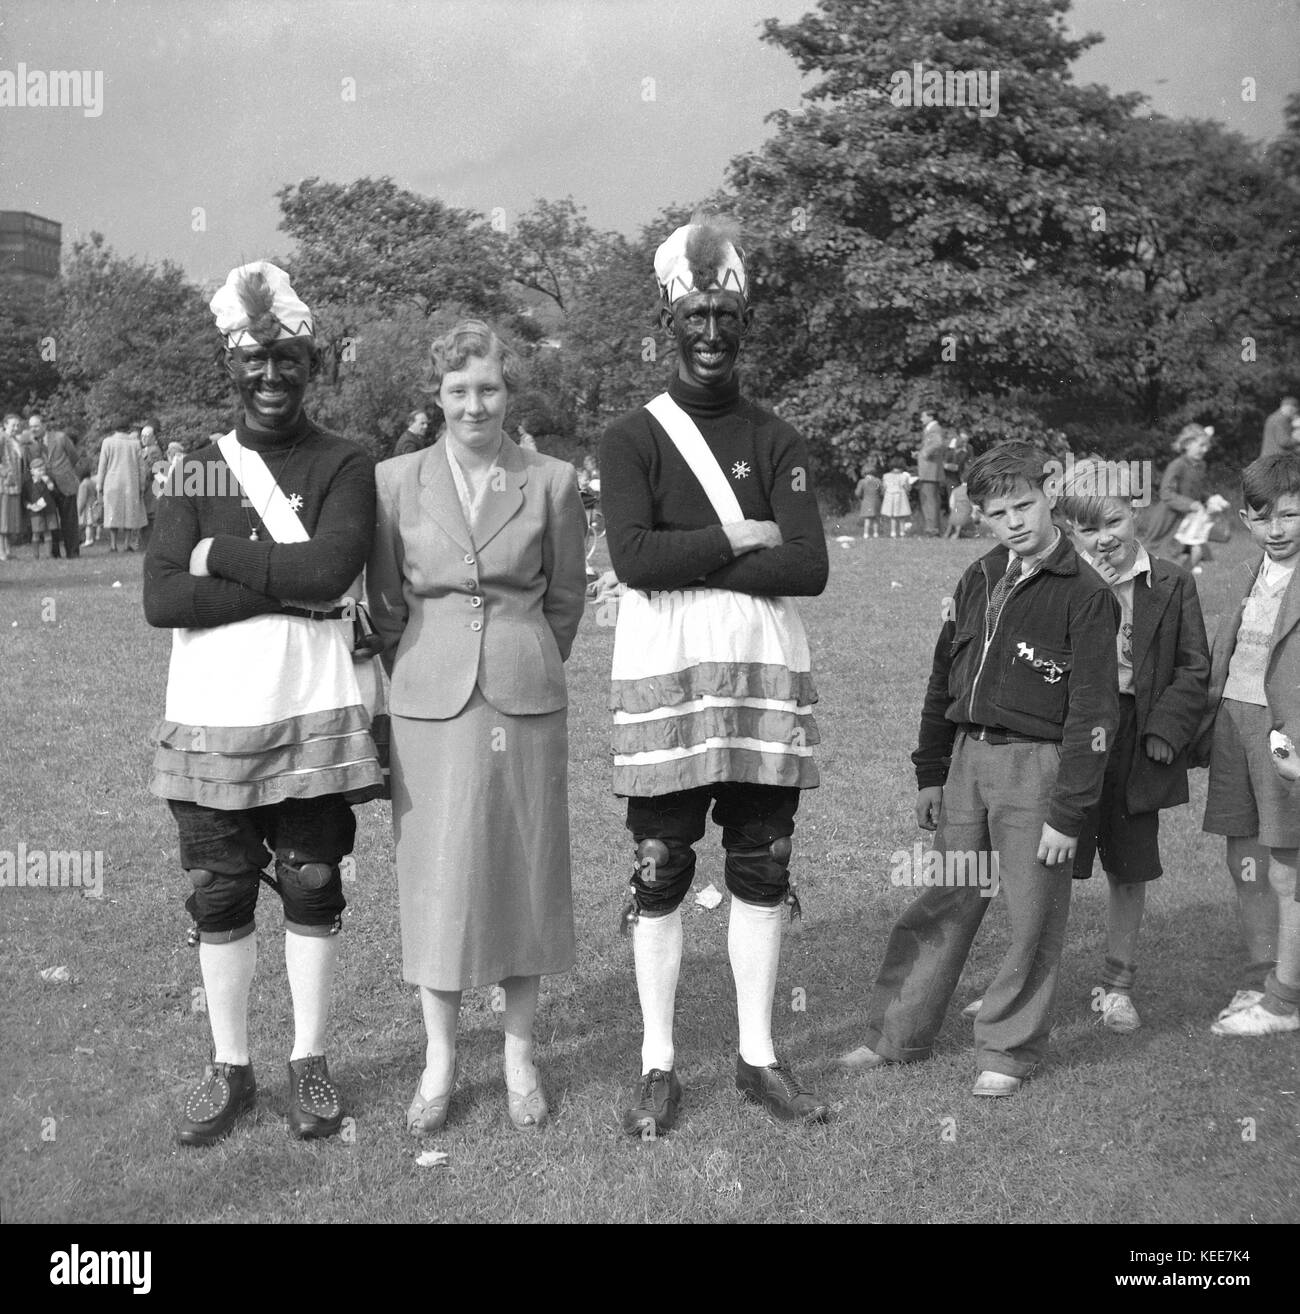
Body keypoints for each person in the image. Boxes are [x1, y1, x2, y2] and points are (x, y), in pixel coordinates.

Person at [143, 260, 383, 1146]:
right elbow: (162, 599)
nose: (271, 377)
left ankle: (310, 1061)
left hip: (310, 713)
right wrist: (290, 589)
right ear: (232, 367)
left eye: (287, 360)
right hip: (211, 716)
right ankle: (229, 1066)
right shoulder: (199, 470)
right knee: (218, 891)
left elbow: (332, 572)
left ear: (308, 364)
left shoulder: (343, 460)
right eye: (255, 362)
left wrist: (221, 561)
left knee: (314, 885)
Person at [600, 215, 830, 1134]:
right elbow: (634, 558)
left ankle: (757, 1056)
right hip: (665, 671)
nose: (709, 334)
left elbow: (808, 566)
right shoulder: (632, 438)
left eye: (725, 318)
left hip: (765, 672)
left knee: (762, 861)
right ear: (669, 322)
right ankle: (657, 1062)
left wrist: (683, 551)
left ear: (743, 323)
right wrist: (740, 535)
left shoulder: (777, 438)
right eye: (694, 317)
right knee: (660, 865)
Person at [838, 442, 1119, 1096]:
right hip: (967, 762)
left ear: (1050, 494)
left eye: (1025, 504)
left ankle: (1008, 1049)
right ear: (981, 517)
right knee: (948, 896)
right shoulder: (978, 577)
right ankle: (897, 1035)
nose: (1015, 521)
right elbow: (944, 677)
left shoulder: (1086, 593)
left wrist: (1068, 810)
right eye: (998, 513)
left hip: (1039, 770)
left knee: (1032, 915)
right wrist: (930, 770)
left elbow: (1097, 712)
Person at [367, 321, 586, 1133]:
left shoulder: (554, 481)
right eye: (458, 391)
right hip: (429, 702)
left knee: (524, 868)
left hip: (525, 697)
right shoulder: (392, 481)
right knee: (439, 877)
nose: (474, 404)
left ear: (508, 392)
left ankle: (519, 1055)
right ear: (438, 396)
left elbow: (566, 598)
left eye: (488, 388)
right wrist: (423, 665)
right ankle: (439, 1061)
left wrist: (525, 655)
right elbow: (385, 601)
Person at [1044, 463, 1209, 1031]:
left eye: (1114, 520)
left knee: (1129, 866)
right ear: (1068, 530)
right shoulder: (1056, 582)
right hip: (1071, 736)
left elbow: (1194, 667)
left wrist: (1166, 727)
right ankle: (1026, 982)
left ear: (1134, 510)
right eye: (1088, 530)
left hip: (1138, 739)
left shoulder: (1172, 582)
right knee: (1052, 858)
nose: (1104, 537)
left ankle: (1117, 986)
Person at [1194, 452, 1300, 1037]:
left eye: (1291, 515)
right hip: (1236, 723)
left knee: (1289, 866)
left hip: (1286, 732)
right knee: (1245, 856)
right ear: (1245, 519)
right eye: (1265, 519)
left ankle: (1287, 1000)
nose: (1278, 530)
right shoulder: (1245, 575)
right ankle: (1265, 976)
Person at [1140, 424, 1211, 562]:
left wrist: (1210, 499)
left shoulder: (1201, 465)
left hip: (1187, 517)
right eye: (1201, 445)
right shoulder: (1177, 465)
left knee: (1181, 553)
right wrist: (1190, 504)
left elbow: (1196, 491)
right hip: (1168, 516)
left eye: (1207, 446)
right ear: (1187, 444)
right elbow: (1166, 493)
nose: (1205, 449)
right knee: (1151, 549)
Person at [96, 421, 148, 552]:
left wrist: (99, 485)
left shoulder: (107, 442)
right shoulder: (135, 444)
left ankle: (113, 545)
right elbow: (142, 467)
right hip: (131, 482)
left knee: (112, 513)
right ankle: (126, 544)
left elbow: (102, 465)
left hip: (112, 482)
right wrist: (142, 485)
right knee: (130, 512)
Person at [42, 425, 84, 559]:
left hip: (65, 482)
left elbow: (74, 457)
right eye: (31, 427)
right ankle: (54, 553)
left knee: (69, 519)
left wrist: (64, 471)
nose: (33, 429)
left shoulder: (60, 437)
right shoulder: (31, 442)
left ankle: (72, 552)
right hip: (46, 484)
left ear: (43, 426)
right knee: (51, 519)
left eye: (36, 426)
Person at [915, 410, 946, 536]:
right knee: (931, 499)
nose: (921, 418)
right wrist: (921, 452)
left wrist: (924, 453)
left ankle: (931, 530)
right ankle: (934, 528)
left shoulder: (934, 429)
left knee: (928, 500)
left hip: (930, 470)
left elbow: (937, 444)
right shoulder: (931, 428)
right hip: (930, 470)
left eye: (923, 416)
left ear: (930, 416)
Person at [23, 454, 59, 559]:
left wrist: (50, 486)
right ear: (32, 471)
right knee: (36, 533)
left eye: (43, 470)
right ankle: (36, 555)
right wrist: (29, 506)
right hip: (36, 511)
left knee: (48, 532)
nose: (41, 472)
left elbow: (55, 495)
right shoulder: (28, 484)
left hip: (49, 510)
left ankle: (48, 554)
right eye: (38, 470)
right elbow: (24, 499)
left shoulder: (48, 481)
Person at [0, 413, 26, 561]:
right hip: (3, 485)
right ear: (4, 425)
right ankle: (1, 551)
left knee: (10, 520)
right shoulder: (1, 438)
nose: (16, 428)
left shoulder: (16, 440)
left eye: (18, 425)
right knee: (2, 520)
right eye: (13, 425)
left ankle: (8, 550)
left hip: (16, 486)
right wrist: (5, 473)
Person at [138, 420, 164, 551]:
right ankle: (144, 544)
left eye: (147, 436)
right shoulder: (144, 450)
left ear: (154, 438)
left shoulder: (154, 451)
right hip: (147, 488)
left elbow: (154, 469)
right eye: (142, 436)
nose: (143, 438)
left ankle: (148, 545)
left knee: (150, 516)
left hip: (151, 489)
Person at [880, 454, 914, 538]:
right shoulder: (903, 477)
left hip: (889, 497)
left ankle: (893, 532)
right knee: (901, 516)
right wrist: (910, 484)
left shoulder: (886, 476)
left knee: (892, 517)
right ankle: (902, 532)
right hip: (900, 497)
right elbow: (907, 488)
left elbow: (884, 488)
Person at [854, 461, 883, 539]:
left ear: (863, 472)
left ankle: (866, 534)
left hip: (866, 502)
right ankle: (876, 534)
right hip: (877, 502)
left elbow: (857, 493)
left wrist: (860, 497)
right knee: (876, 519)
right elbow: (882, 492)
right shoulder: (878, 481)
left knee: (867, 519)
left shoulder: (862, 482)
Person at [77, 470, 101, 548]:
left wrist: (79, 509)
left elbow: (82, 498)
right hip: (94, 504)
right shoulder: (93, 483)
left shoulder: (83, 484)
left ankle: (88, 540)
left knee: (88, 524)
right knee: (92, 524)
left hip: (87, 506)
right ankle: (91, 539)